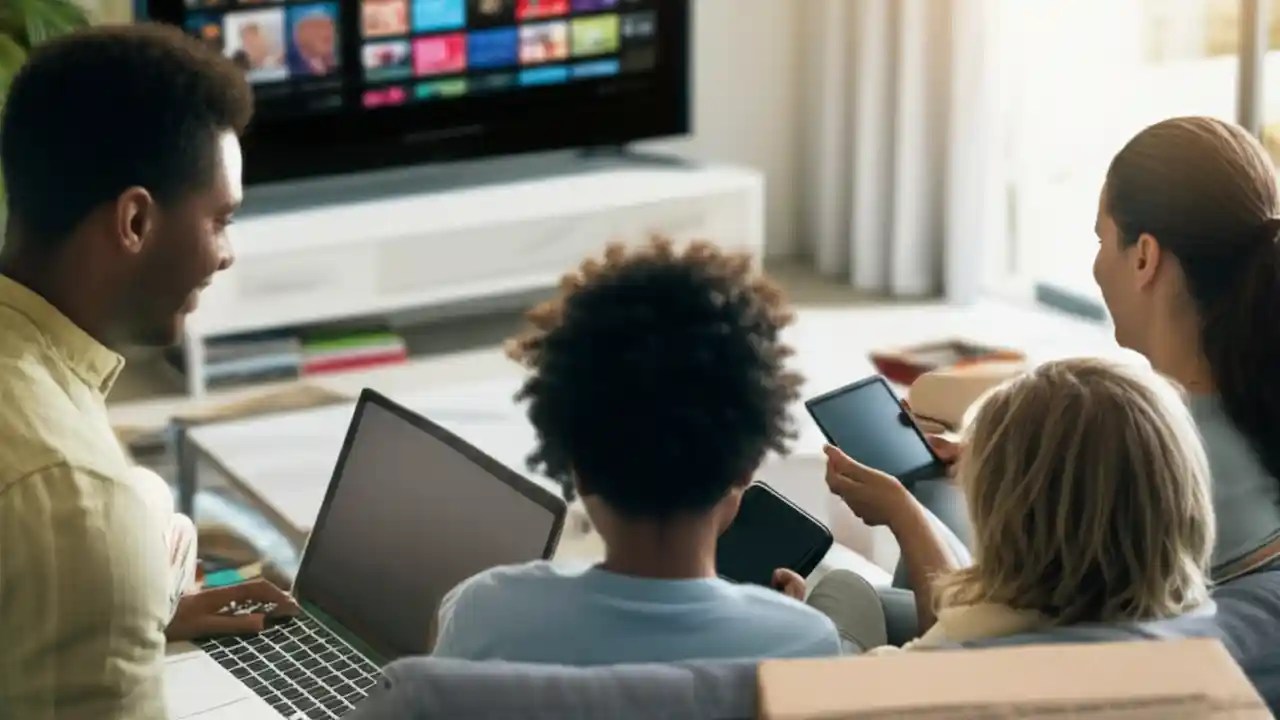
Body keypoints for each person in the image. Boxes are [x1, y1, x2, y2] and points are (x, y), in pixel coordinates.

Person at [0, 25, 296, 718]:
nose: (226, 254)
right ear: (135, 221)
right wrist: (105, 585)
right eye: (220, 219)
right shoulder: (78, 500)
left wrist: (117, 619)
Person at [430, 239, 841, 665]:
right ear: (746, 467)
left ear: (577, 466)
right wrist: (776, 621)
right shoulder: (801, 641)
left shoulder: (483, 615)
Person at [817, 359, 1218, 650]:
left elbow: (944, 636)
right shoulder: (1202, 630)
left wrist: (903, 515)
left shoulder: (959, 651)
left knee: (837, 592)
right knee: (926, 500)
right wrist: (982, 460)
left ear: (1012, 522)